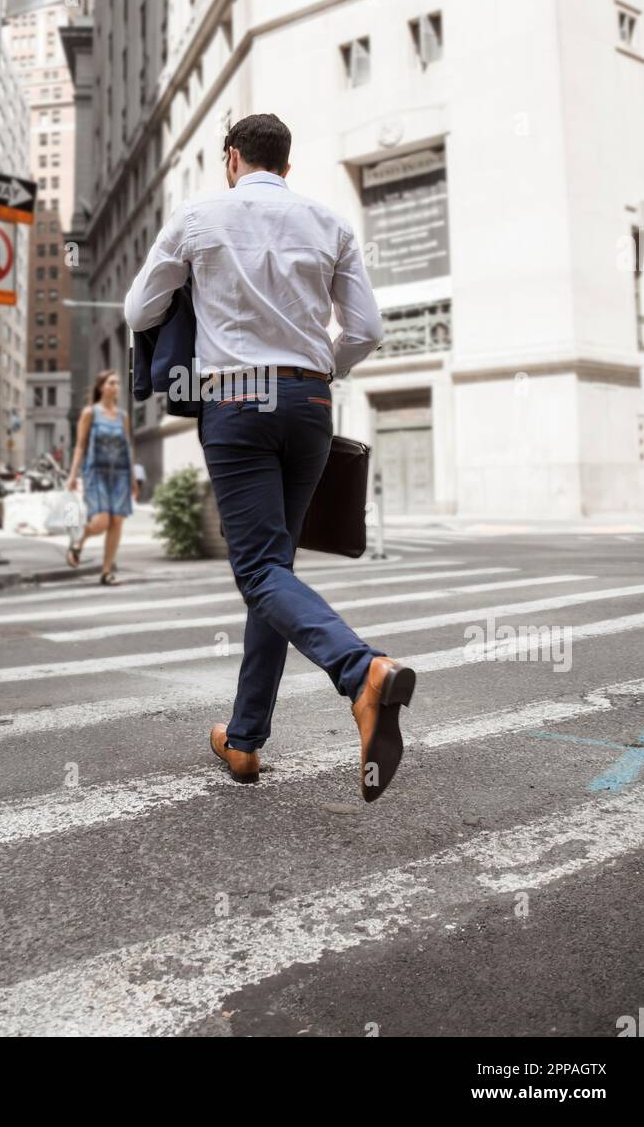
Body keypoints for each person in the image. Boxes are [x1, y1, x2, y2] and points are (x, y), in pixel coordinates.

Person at [124, 113, 416, 804]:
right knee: (273, 570)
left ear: (232, 159)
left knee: (257, 569)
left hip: (236, 402)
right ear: (287, 164)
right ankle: (246, 739)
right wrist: (319, 371)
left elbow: (139, 310)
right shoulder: (330, 222)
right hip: (311, 405)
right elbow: (367, 330)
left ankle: (362, 672)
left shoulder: (198, 217)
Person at [65, 369, 138, 585]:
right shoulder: (90, 413)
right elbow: (79, 446)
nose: (115, 386)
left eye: (117, 383)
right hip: (95, 473)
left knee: (117, 522)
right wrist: (72, 475)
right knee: (101, 522)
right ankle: (78, 541)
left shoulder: (123, 416)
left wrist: (133, 477)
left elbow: (128, 447)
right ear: (101, 387)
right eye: (111, 383)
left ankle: (106, 572)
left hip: (121, 475)